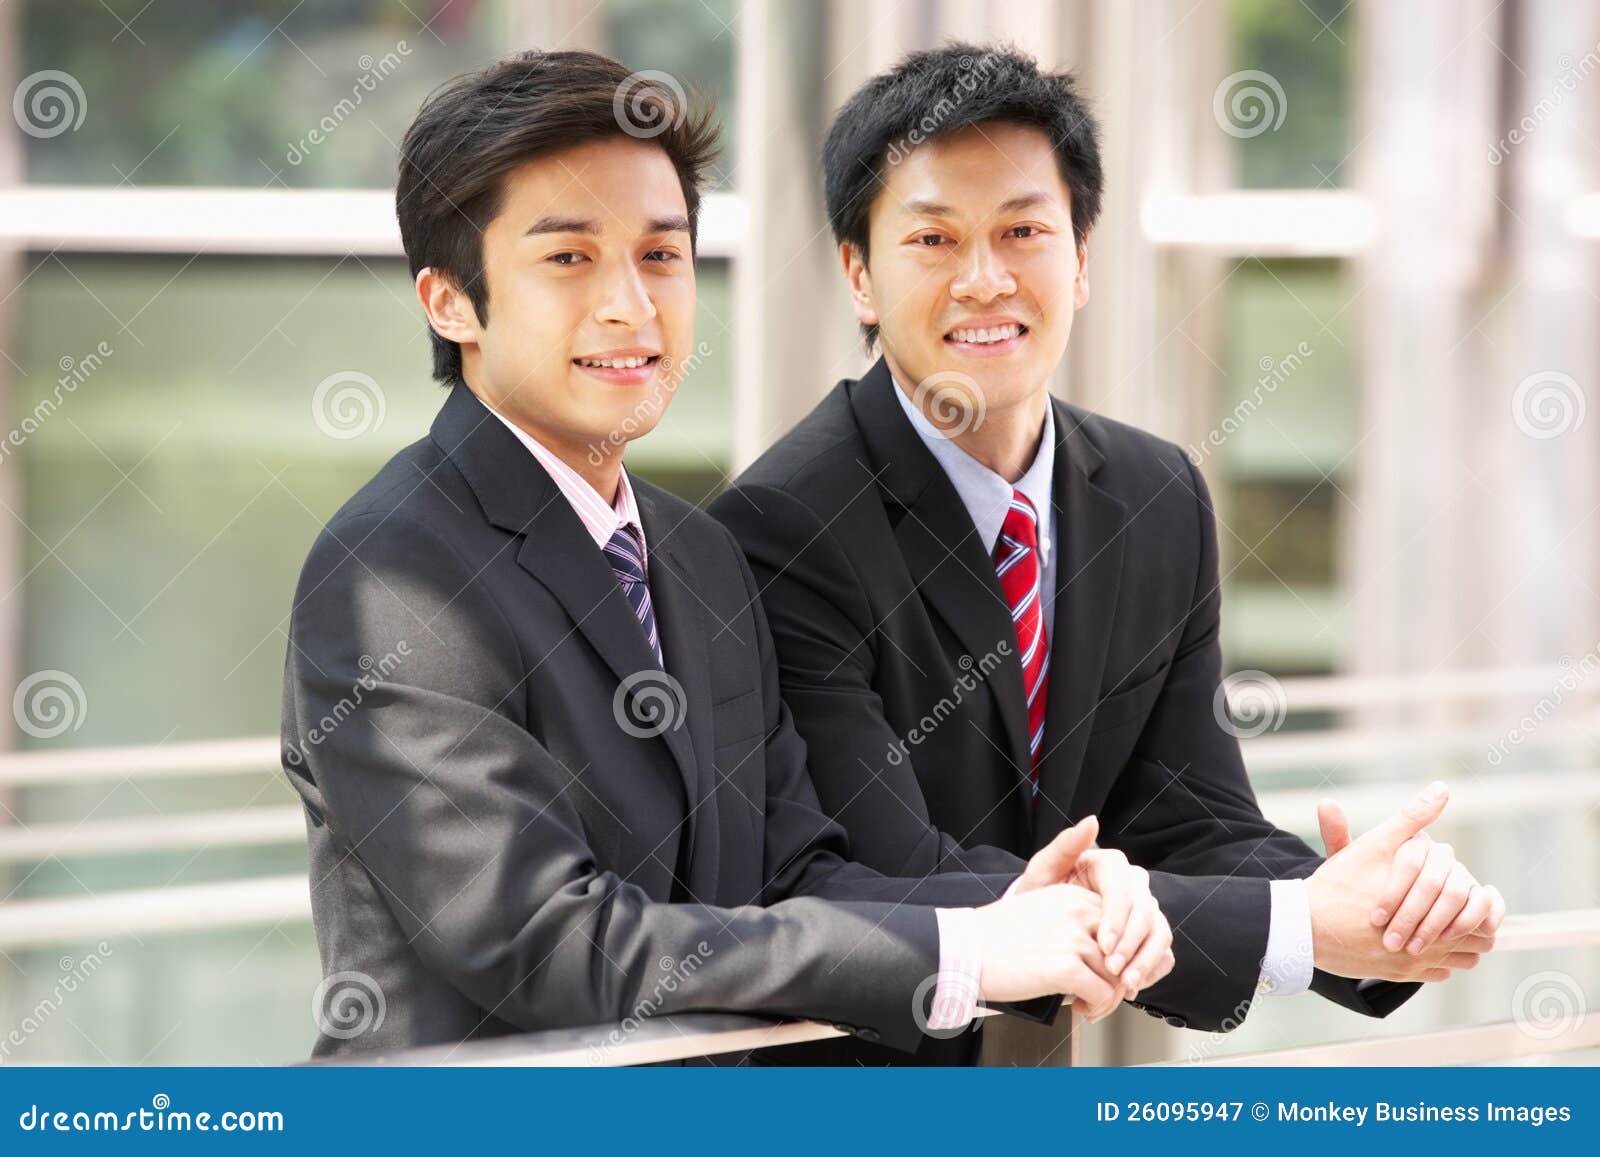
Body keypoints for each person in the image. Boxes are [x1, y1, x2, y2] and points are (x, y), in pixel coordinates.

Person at [279, 48, 1175, 1062]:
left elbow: (795, 865)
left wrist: (1039, 909)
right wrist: (966, 949)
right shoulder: (396, 572)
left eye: (661, 254)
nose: (631, 304)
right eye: (568, 257)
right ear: (449, 299)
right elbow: (546, 945)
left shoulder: (696, 551)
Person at [709, 44, 1503, 1065]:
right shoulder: (782, 526)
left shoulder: (1151, 494)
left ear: (1081, 261)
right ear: (860, 274)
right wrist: (1293, 927)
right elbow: (900, 872)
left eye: (1023, 231)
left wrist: (1368, 906)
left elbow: (1193, 816)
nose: (984, 278)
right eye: (934, 239)